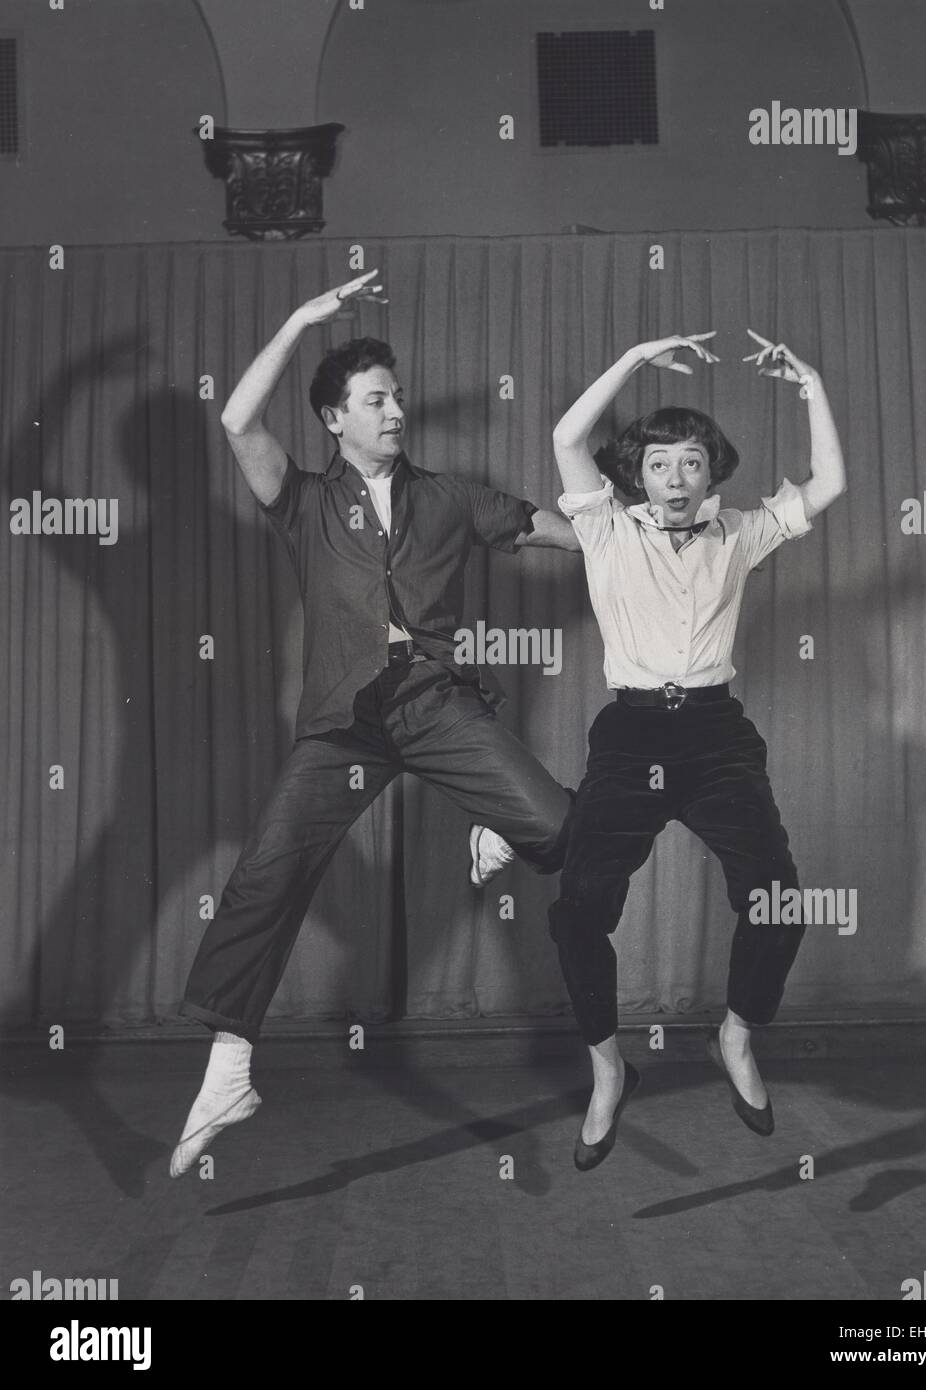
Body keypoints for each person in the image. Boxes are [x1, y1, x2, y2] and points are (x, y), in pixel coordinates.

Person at [170, 272, 579, 1177]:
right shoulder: (305, 502)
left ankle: (497, 822)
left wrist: (655, 523)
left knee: (553, 824)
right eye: (375, 399)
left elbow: (567, 533)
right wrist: (298, 319)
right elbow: (238, 421)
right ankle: (230, 1066)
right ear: (333, 419)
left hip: (433, 703)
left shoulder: (450, 497)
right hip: (342, 723)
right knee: (265, 875)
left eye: (396, 397)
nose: (395, 410)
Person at [548, 328, 847, 1169]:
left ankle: (736, 1036)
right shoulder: (606, 531)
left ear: (710, 474)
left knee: (776, 894)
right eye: (656, 464)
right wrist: (637, 359)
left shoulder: (742, 534)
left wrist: (811, 382)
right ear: (633, 475)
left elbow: (829, 483)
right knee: (578, 910)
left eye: (689, 464)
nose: (673, 480)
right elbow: (568, 438)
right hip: (631, 732)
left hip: (715, 735)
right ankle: (608, 1070)